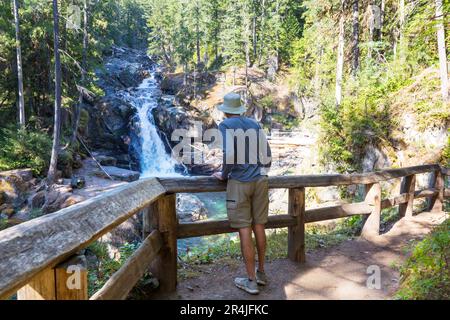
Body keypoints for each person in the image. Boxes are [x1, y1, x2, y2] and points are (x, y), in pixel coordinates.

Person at [212, 92, 272, 295]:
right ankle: (262, 273)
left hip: (239, 182)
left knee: (245, 229)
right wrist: (262, 171)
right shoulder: (254, 124)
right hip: (260, 181)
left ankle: (251, 281)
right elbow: (268, 154)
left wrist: (223, 174)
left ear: (226, 111)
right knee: (259, 226)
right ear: (239, 109)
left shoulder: (225, 126)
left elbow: (229, 154)